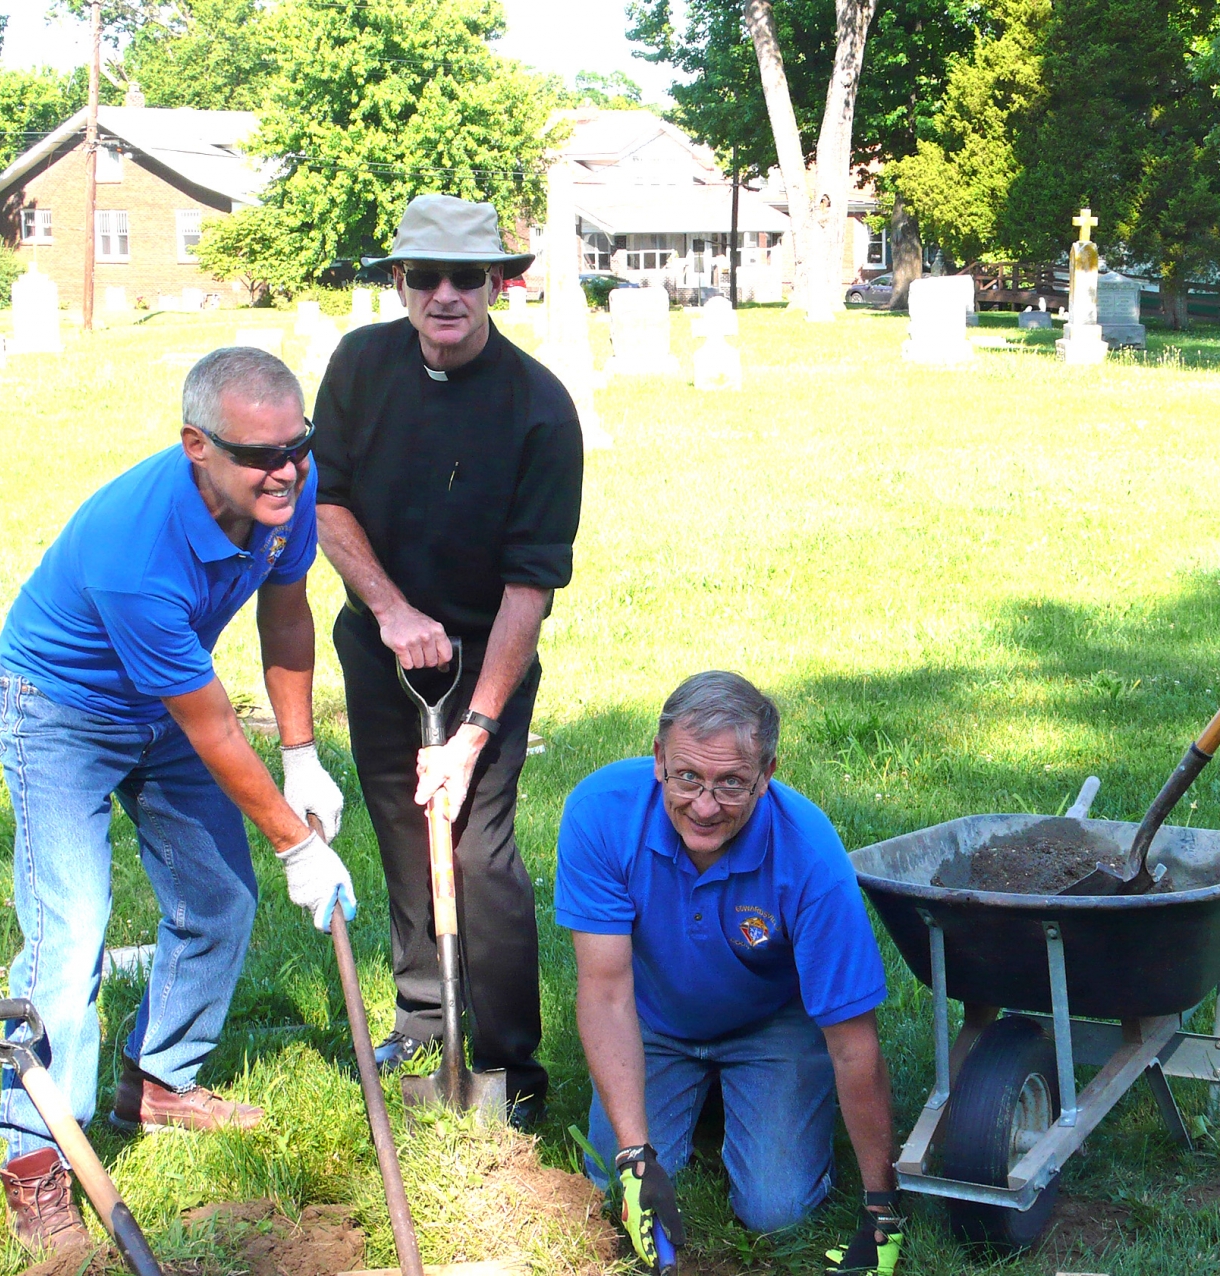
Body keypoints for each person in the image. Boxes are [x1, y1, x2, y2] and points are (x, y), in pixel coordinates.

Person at [0, 347, 357, 1254]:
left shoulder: (286, 491)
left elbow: (285, 609)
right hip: (61, 711)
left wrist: (303, 756)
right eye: (261, 455)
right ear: (196, 445)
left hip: (164, 698)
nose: (288, 469)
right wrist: (295, 844)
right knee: (70, 930)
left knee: (218, 898)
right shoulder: (135, 552)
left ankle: (155, 1080)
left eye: (299, 446)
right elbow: (210, 728)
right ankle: (37, 1160)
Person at [313, 194, 584, 1121]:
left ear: (497, 284)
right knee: (398, 825)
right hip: (381, 645)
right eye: (422, 275)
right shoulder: (359, 366)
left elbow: (529, 589)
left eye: (465, 276)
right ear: (399, 282)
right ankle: (426, 1023)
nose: (443, 294)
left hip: (485, 658)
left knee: (478, 850)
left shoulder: (539, 410)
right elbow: (328, 502)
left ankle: (509, 1058)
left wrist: (473, 731)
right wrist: (388, 611)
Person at [555, 672, 903, 1274]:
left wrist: (881, 1207)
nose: (705, 806)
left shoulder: (811, 857)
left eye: (732, 784)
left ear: (767, 775)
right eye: (687, 776)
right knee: (611, 1177)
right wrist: (637, 1158)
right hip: (654, 1020)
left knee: (777, 1208)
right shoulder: (599, 814)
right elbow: (607, 992)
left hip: (769, 1022)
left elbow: (852, 1043)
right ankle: (694, 1107)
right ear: (658, 758)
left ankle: (753, 1093)